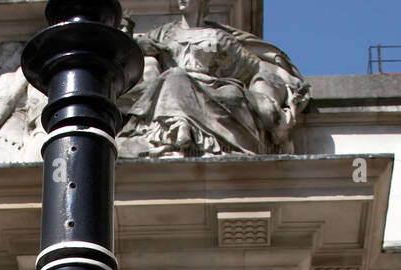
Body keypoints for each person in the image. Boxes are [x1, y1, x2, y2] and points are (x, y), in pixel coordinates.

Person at [121, 0, 309, 158]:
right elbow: (132, 53)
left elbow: (256, 67)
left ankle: (180, 129)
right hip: (168, 85)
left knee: (177, 78)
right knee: (174, 77)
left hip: (212, 89)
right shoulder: (164, 33)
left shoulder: (221, 37)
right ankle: (179, 128)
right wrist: (138, 44)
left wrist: (282, 82)